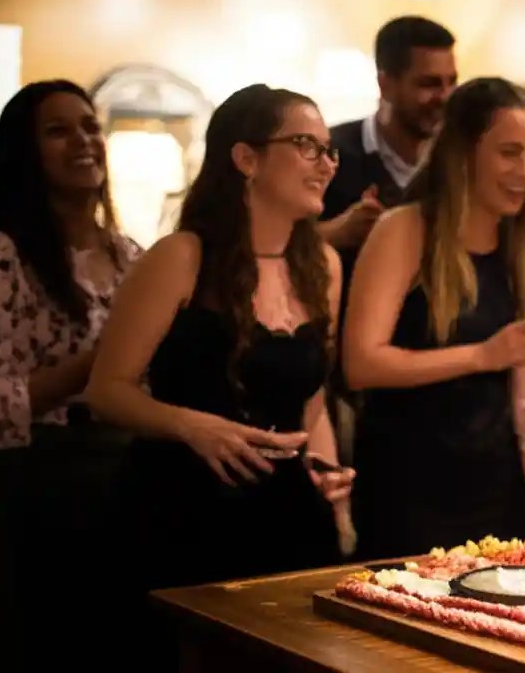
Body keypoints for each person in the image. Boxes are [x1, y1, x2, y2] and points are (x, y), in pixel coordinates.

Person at [87, 84, 355, 667]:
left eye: (330, 150)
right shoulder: (181, 256)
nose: (326, 164)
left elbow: (311, 398)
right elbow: (107, 390)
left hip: (286, 516)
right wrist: (195, 427)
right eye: (308, 145)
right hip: (181, 511)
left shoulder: (324, 267)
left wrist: (326, 478)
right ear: (246, 158)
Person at [0, 80, 142, 670]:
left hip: (116, 492)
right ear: (25, 153)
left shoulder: (132, 255)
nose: (83, 140)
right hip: (24, 501)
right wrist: (106, 359)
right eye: (58, 130)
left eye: (89, 126)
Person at [343, 77, 525, 560]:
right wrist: (483, 355)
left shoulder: (519, 248)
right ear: (463, 153)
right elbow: (362, 363)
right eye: (510, 153)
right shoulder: (404, 230)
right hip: (409, 488)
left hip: (498, 489)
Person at [318, 15, 458, 456]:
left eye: (453, 81)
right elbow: (266, 245)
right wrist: (333, 233)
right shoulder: (329, 154)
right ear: (386, 83)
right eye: (429, 84)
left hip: (438, 370)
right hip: (348, 375)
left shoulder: (456, 164)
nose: (446, 97)